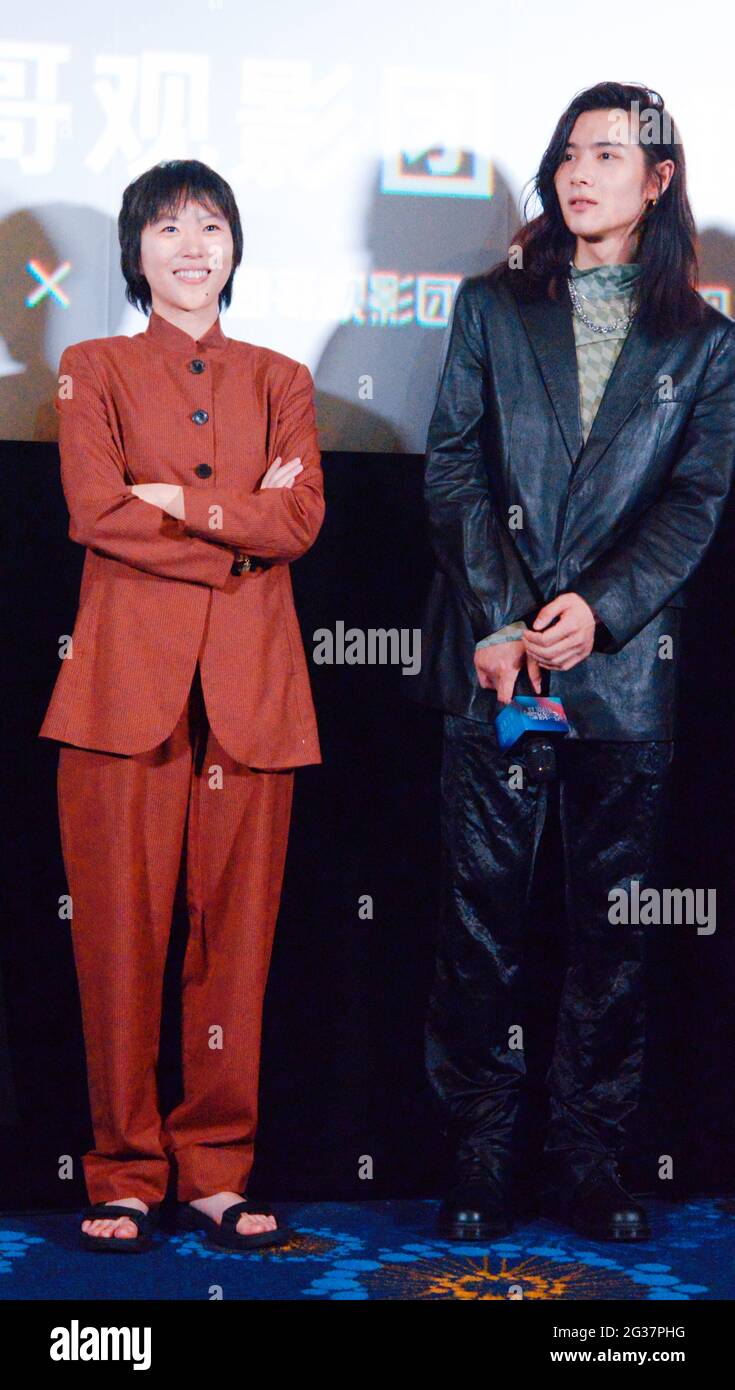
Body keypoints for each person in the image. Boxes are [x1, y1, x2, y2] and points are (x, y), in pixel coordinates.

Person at [409, 82, 735, 1241]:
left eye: (611, 153)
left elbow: (697, 504)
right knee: (482, 921)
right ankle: (484, 1154)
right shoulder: (493, 306)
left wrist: (598, 610)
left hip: (623, 669)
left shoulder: (704, 344)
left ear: (658, 182)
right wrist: (508, 617)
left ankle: (593, 1157)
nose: (579, 170)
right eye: (567, 151)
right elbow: (450, 467)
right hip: (498, 662)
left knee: (615, 930)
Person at [39, 160, 325, 1252]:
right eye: (167, 228)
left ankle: (216, 1168)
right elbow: (96, 512)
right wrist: (239, 535)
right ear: (136, 250)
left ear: (237, 247)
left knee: (234, 948)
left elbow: (300, 520)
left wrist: (194, 505)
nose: (191, 245)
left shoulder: (281, 378)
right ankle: (122, 1170)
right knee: (118, 943)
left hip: (252, 700)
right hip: (121, 697)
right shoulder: (92, 366)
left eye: (211, 225)